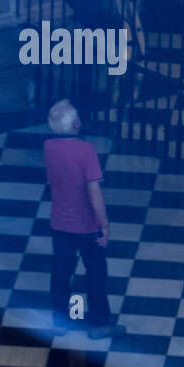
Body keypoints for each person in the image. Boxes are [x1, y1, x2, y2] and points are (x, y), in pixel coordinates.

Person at [43, 100, 125, 340]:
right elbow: (94, 191)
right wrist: (105, 224)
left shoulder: (49, 147)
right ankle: (99, 324)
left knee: (61, 272)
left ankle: (60, 321)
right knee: (96, 273)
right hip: (86, 224)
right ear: (77, 123)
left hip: (59, 222)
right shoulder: (86, 150)